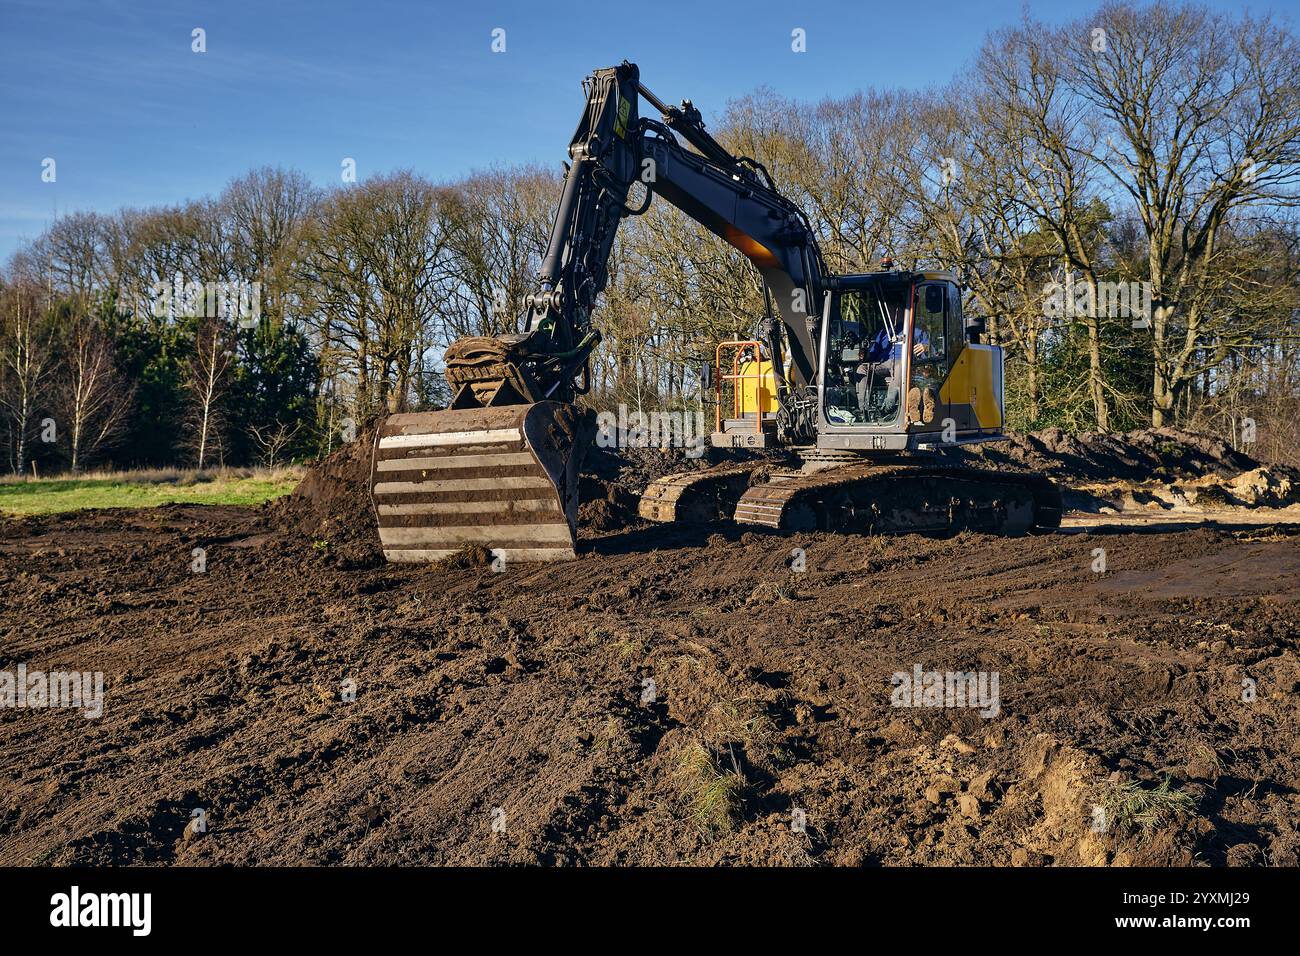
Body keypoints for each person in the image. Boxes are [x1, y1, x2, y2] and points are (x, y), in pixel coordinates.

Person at [856, 323, 930, 415]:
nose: (892, 310)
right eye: (890, 308)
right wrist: (865, 355)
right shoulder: (884, 330)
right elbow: (873, 353)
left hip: (904, 363)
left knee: (900, 365)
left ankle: (887, 407)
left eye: (894, 308)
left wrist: (926, 347)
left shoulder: (916, 328)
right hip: (883, 363)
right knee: (861, 368)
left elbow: (931, 347)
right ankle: (863, 409)